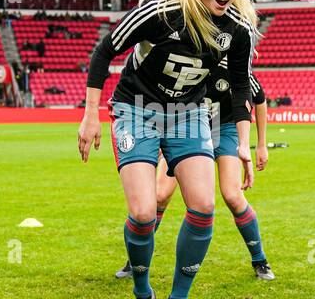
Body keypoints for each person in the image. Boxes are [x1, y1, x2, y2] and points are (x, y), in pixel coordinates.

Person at [80, 0, 259, 299]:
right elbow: (104, 51)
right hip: (136, 108)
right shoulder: (161, 11)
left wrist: (244, 144)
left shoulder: (238, 31)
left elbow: (238, 88)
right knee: (143, 213)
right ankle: (144, 296)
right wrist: (90, 115)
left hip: (189, 114)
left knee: (204, 205)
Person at [116, 69, 273, 282]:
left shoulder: (232, 62)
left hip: (224, 130)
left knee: (233, 196)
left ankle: (259, 260)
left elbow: (260, 99)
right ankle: (136, 261)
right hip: (187, 127)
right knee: (160, 195)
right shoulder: (186, 56)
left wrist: (261, 144)